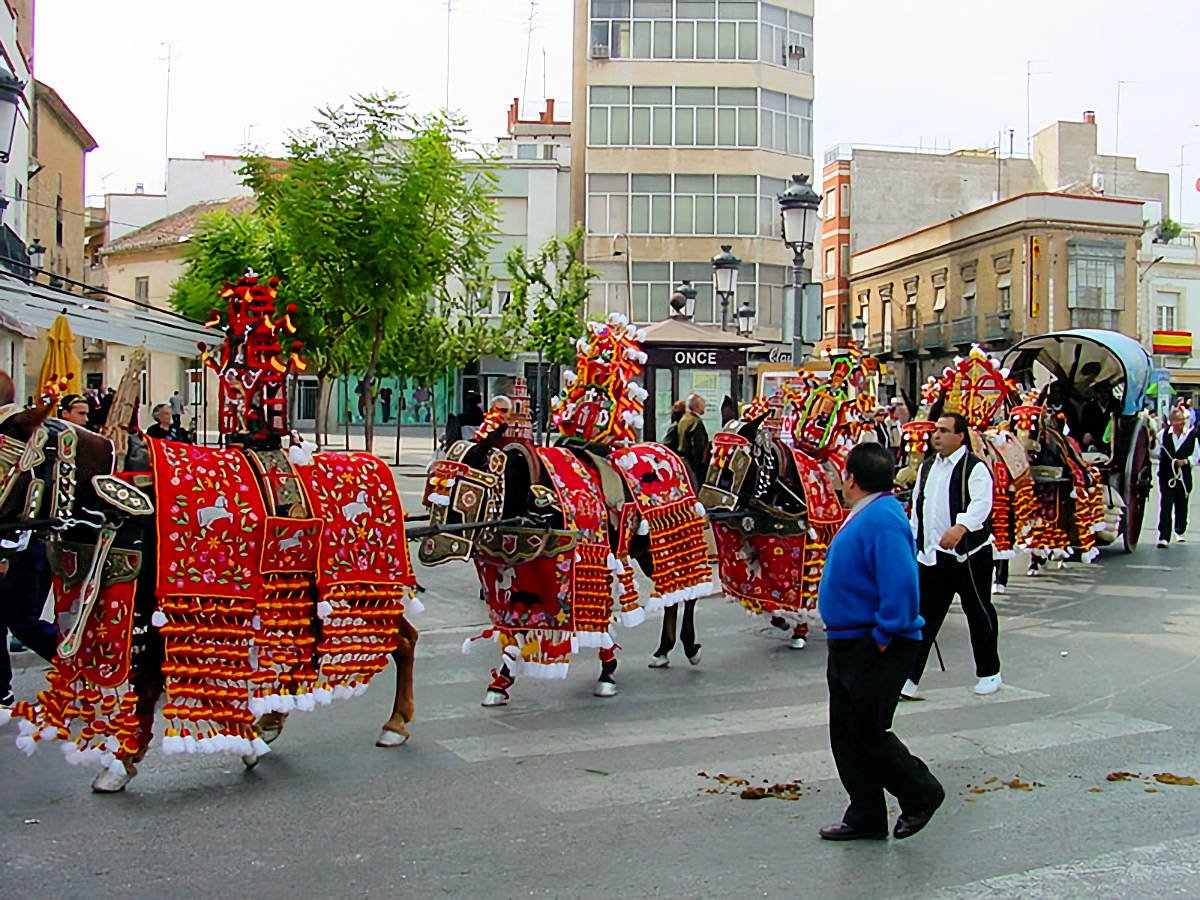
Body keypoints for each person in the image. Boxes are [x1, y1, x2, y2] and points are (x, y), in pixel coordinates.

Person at [817, 442, 944, 842]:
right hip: (847, 641)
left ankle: (922, 792)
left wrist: (886, 634)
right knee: (846, 735)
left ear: (850, 478)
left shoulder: (884, 517)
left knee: (867, 733)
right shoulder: (868, 512)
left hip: (875, 643)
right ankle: (865, 814)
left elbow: (902, 583)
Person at [903, 412, 1001, 699]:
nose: (937, 436)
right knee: (923, 618)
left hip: (968, 555)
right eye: (936, 431)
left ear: (960, 436)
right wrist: (914, 541)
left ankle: (989, 672)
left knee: (978, 612)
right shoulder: (928, 466)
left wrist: (961, 527)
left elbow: (982, 504)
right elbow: (919, 505)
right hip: (932, 557)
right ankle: (909, 679)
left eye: (944, 431)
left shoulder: (975, 467)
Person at [0, 533, 57, 708]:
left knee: (23, 620)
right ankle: (1, 693)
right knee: (20, 620)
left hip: (23, 542)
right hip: (21, 544)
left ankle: (75, 660)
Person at [1157, 407, 1197, 548]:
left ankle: (1180, 531)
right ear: (1171, 422)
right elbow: (1156, 452)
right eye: (1176, 421)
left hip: (1183, 476)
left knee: (1181, 504)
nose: (1178, 424)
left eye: (1181, 421)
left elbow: (1196, 456)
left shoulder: (1191, 435)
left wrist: (1185, 461)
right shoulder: (1163, 435)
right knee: (1166, 504)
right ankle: (1164, 536)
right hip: (1167, 475)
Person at [676, 393, 709, 487]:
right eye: (703, 405)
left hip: (684, 460)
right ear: (697, 406)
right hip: (693, 463)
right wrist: (701, 463)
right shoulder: (696, 422)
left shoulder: (684, 419)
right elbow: (698, 446)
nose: (705, 407)